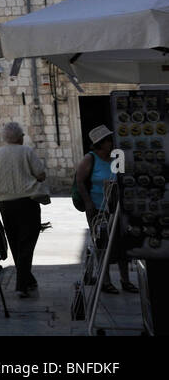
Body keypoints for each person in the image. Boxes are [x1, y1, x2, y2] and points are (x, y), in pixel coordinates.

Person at [0, 121, 46, 297]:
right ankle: (21, 285)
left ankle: (28, 279)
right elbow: (41, 174)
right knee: (27, 241)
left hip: (5, 203)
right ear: (19, 137)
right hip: (27, 201)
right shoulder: (27, 151)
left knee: (14, 241)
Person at [74, 125, 136, 295]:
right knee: (103, 245)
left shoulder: (117, 157)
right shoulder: (90, 159)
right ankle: (105, 281)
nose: (112, 142)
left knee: (122, 244)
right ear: (100, 143)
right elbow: (79, 181)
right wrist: (88, 203)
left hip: (118, 209)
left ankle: (125, 280)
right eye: (108, 140)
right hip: (98, 208)